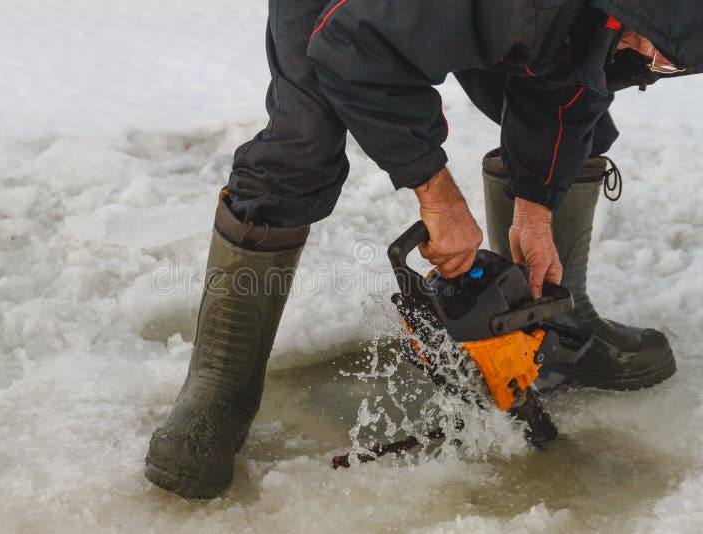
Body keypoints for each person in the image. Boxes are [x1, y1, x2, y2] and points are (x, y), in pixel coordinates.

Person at [145, 0, 701, 499]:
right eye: (657, 50)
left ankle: (542, 333)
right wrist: (437, 196)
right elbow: (350, 46)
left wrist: (536, 206)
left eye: (672, 64)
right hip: (361, 20)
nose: (654, 63)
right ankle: (220, 388)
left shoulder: (641, 25)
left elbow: (568, 83)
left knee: (580, 80)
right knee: (302, 146)